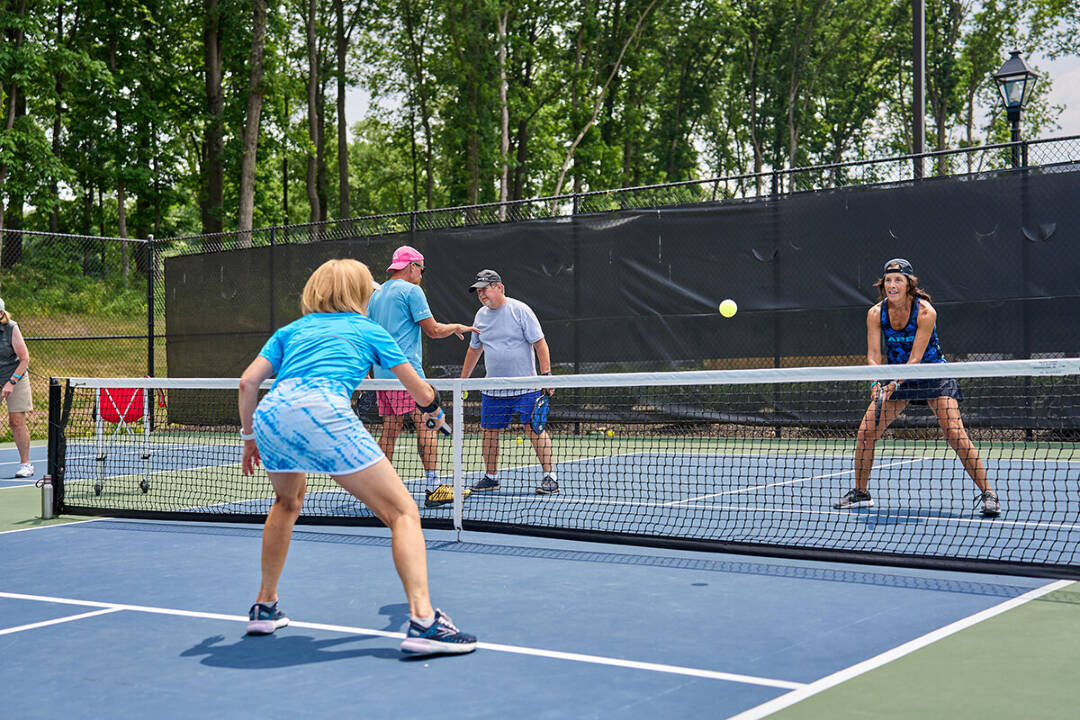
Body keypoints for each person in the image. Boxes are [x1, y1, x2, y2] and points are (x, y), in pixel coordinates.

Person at [238, 258, 476, 655]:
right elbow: (419, 391)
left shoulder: (289, 331)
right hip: (325, 412)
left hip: (272, 414)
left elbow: (248, 383)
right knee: (403, 512)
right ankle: (423, 621)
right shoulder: (369, 330)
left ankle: (264, 606)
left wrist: (249, 437)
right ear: (359, 292)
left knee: (287, 502)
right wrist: (435, 410)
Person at [834, 258, 1000, 517]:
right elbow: (874, 356)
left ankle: (989, 494)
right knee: (866, 431)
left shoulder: (925, 312)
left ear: (909, 284)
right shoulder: (876, 313)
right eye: (888, 280)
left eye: (898, 280)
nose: (892, 284)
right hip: (895, 378)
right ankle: (861, 493)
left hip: (932, 374)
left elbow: (915, 359)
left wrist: (891, 384)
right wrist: (875, 382)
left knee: (954, 432)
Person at [367, 246, 479, 509]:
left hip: (383, 375)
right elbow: (433, 330)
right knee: (428, 424)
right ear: (411, 266)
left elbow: (368, 336)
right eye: (421, 268)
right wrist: (457, 327)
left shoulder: (376, 296)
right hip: (408, 376)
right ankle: (433, 488)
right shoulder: (412, 291)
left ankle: (378, 489)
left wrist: (369, 374)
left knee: (390, 430)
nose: (422, 274)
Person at [460, 269, 557, 495]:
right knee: (488, 431)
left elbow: (540, 344)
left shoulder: (520, 310)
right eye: (478, 291)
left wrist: (547, 375)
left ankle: (550, 476)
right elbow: (474, 349)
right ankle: (491, 477)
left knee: (533, 428)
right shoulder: (480, 316)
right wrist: (462, 381)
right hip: (492, 389)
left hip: (526, 387)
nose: (481, 294)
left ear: (499, 287)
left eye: (485, 289)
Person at [0, 298, 33, 478]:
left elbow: (25, 358)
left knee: (16, 421)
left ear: (1, 314)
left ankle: (26, 464)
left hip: (16, 374)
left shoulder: (12, 328)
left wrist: (11, 382)